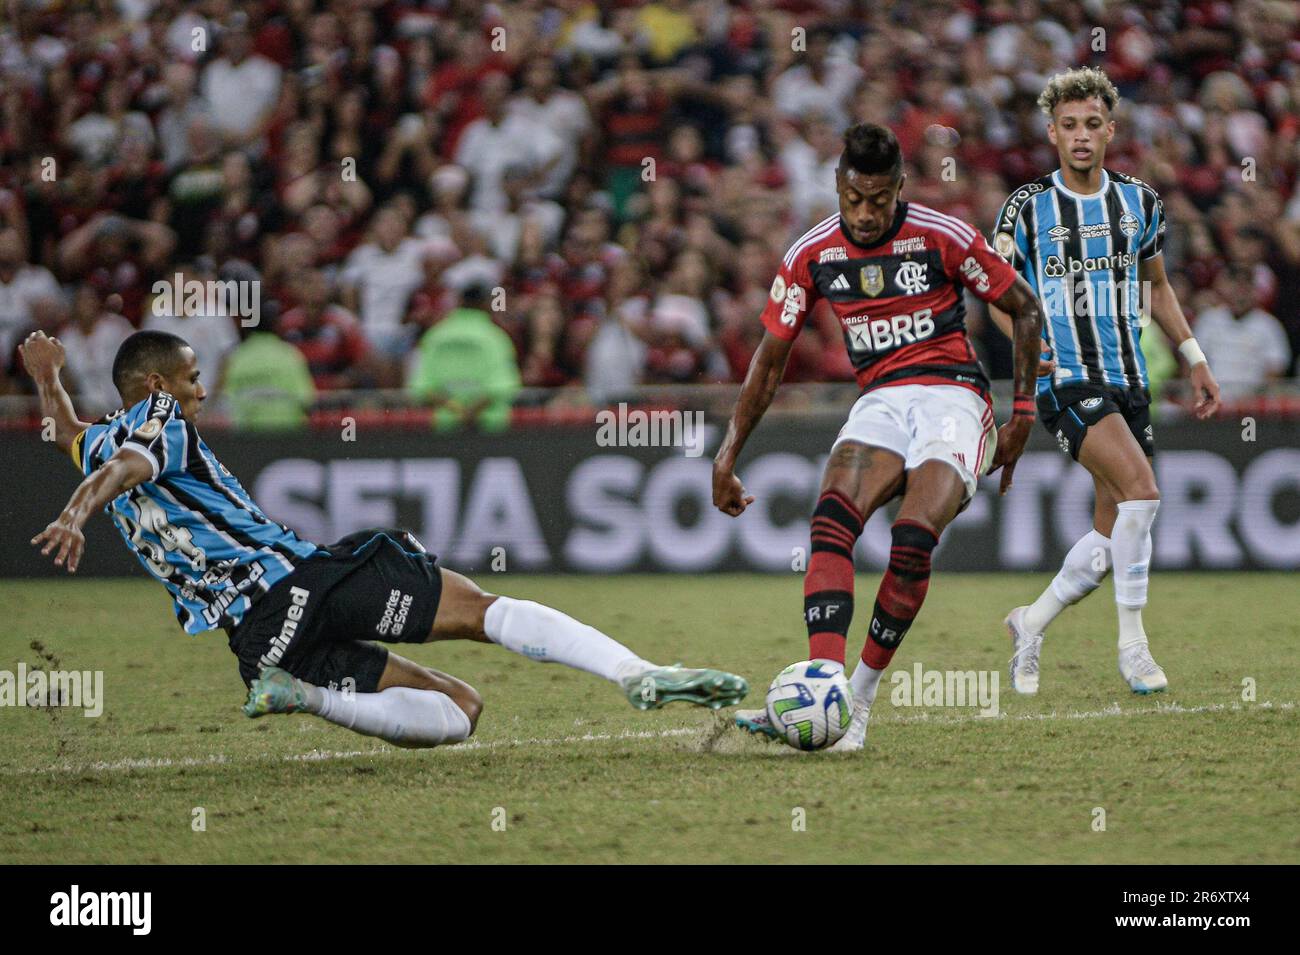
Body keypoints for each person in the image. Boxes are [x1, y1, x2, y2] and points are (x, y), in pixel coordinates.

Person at [21, 329, 746, 749]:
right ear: (153, 384)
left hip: (256, 643)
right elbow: (120, 467)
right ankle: (635, 672)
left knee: (460, 709)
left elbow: (68, 438)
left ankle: (302, 696)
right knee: (479, 609)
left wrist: (49, 377)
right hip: (298, 581)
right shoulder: (161, 424)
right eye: (191, 377)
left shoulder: (101, 438)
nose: (202, 391)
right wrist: (75, 512)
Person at [714, 124, 1044, 752]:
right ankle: (822, 686)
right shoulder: (811, 253)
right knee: (830, 521)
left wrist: (1021, 414)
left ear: (898, 189)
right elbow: (769, 360)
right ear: (838, 186)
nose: (864, 215)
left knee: (913, 540)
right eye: (853, 199)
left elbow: (1024, 307)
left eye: (878, 200)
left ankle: (857, 703)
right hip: (880, 401)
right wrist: (728, 453)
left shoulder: (942, 235)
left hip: (954, 396)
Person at [989, 67, 1222, 697]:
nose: (1081, 136)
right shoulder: (1026, 206)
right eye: (1069, 126)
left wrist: (1194, 355)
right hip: (1064, 378)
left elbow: (1159, 286)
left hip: (1129, 378)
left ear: (1110, 130)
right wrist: (1026, 347)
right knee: (1144, 495)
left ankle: (1029, 622)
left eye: (1093, 124)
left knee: (1111, 524)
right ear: (1052, 133)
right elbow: (996, 293)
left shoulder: (1141, 201)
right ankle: (1134, 647)